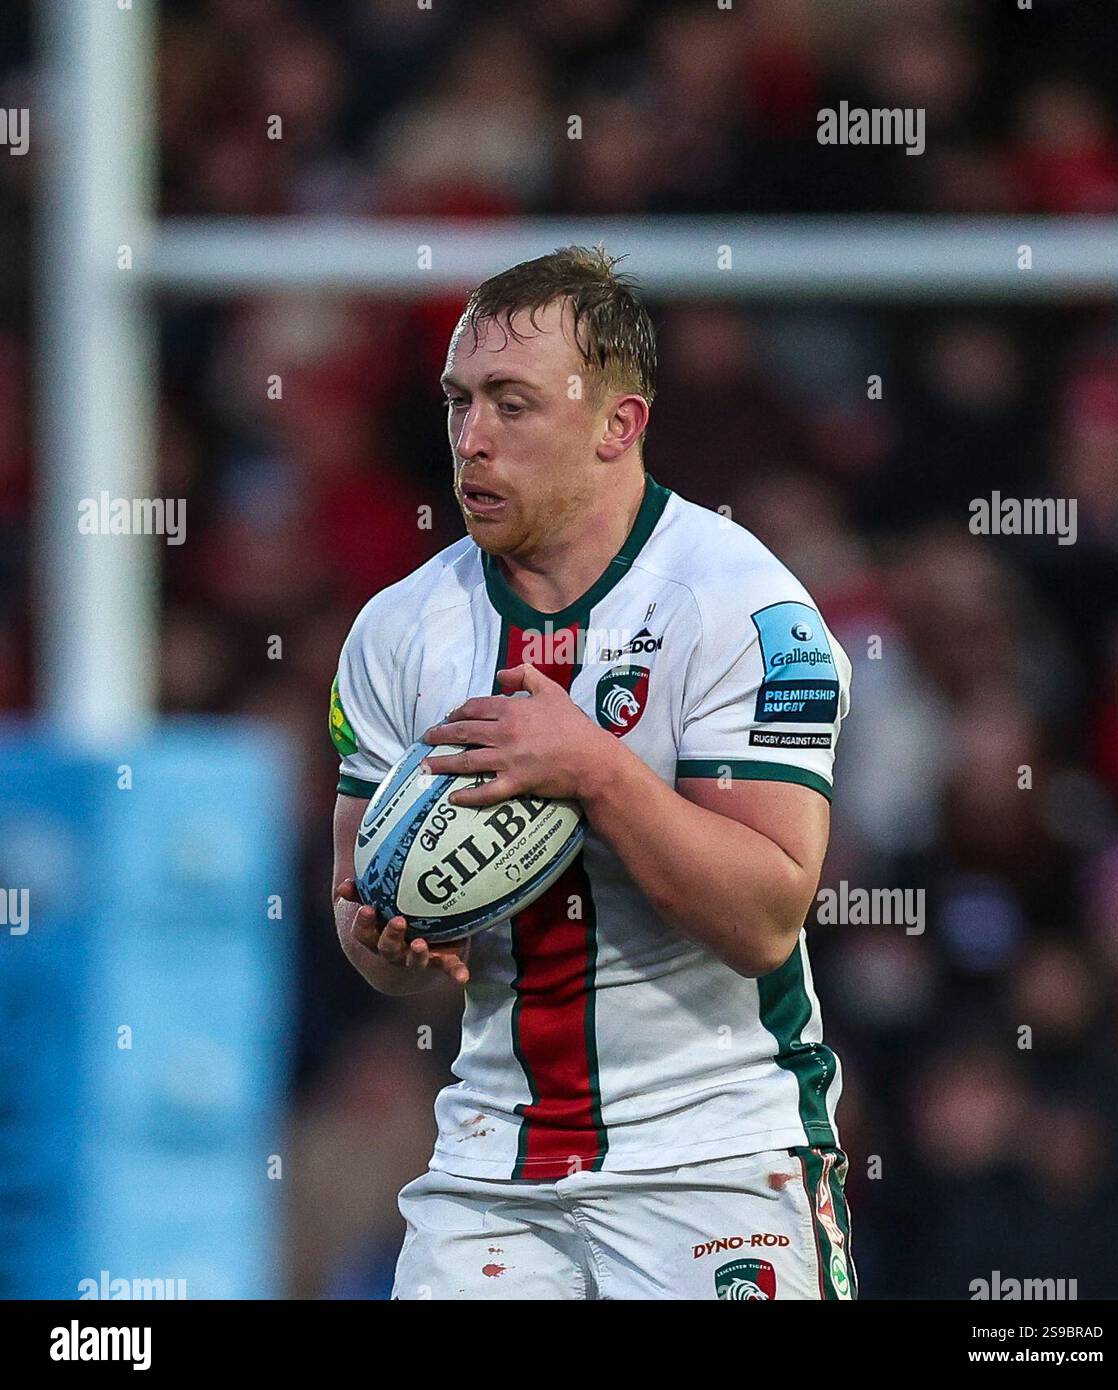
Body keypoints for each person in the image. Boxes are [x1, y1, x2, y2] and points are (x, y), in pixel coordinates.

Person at [329, 246, 856, 1300]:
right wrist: (386, 937)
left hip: (714, 1165)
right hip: (491, 1169)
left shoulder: (748, 611)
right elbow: (359, 922)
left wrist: (594, 773)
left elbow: (765, 918)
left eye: (511, 405)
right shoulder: (397, 629)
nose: (470, 440)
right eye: (458, 401)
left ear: (618, 424)